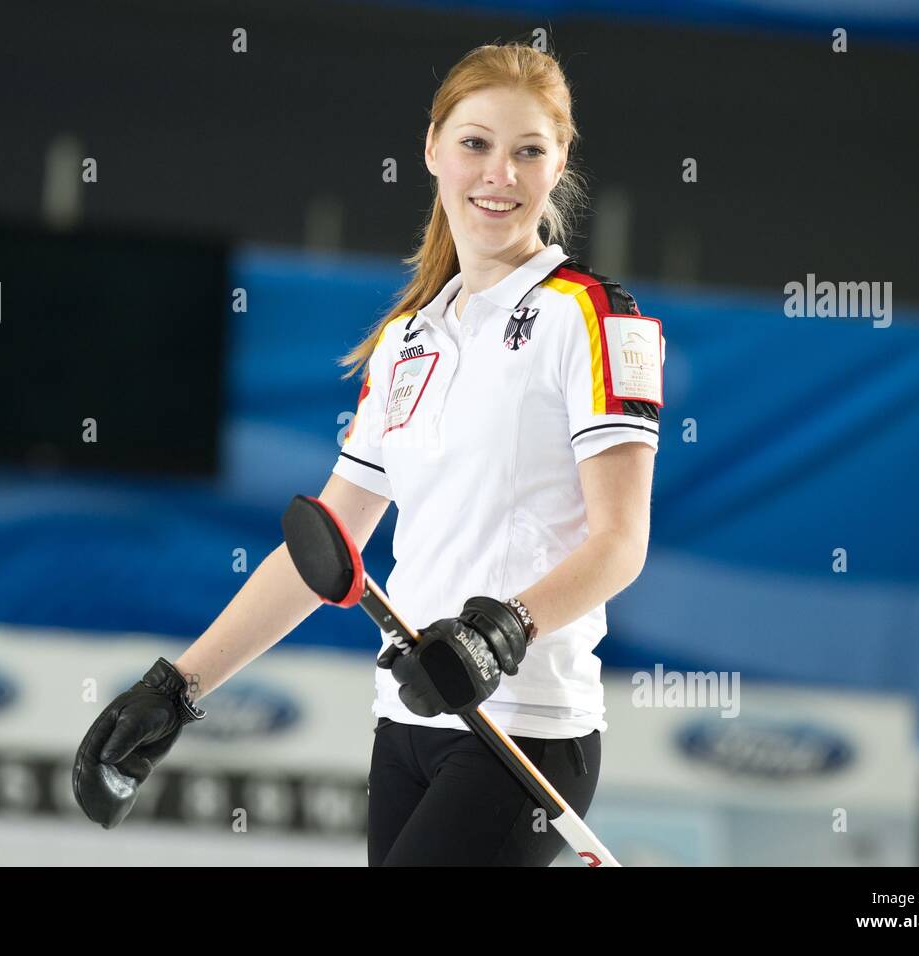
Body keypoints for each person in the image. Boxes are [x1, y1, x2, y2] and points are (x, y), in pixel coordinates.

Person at [73, 41, 663, 867]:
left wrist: (501, 633)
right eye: (476, 144)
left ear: (559, 162)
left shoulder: (592, 318)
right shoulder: (406, 341)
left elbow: (620, 543)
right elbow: (324, 549)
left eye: (529, 151)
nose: (500, 173)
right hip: (407, 723)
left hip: (522, 731)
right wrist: (175, 691)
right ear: (432, 150)